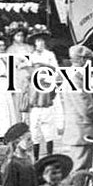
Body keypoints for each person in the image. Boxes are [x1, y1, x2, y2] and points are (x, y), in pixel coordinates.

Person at [61, 44, 93, 174]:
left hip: (80, 131)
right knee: (81, 170)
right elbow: (86, 108)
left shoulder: (75, 77)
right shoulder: (75, 79)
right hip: (81, 131)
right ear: (82, 60)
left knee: (82, 168)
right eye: (88, 60)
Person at [25, 26, 60, 160]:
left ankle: (50, 155)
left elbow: (55, 70)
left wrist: (47, 74)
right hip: (35, 88)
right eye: (37, 41)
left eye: (42, 41)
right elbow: (28, 72)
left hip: (46, 86)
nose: (39, 43)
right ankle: (36, 157)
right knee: (34, 127)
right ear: (34, 43)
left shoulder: (49, 55)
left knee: (48, 126)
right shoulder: (31, 56)